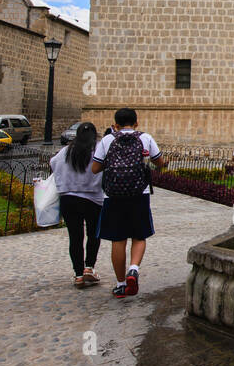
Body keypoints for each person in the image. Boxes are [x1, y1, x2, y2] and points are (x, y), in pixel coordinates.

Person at [90, 107, 165, 299]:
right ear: (136, 123)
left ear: (115, 125)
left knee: (118, 239)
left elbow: (95, 168)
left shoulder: (107, 140)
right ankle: (133, 269)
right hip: (139, 193)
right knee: (139, 236)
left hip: (113, 195)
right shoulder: (145, 138)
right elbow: (160, 162)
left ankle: (121, 284)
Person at [51, 121, 105, 288]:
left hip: (69, 199)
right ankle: (89, 267)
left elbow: (53, 163)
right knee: (94, 235)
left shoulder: (67, 151)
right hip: (93, 199)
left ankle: (78, 274)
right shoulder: (98, 150)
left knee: (75, 237)